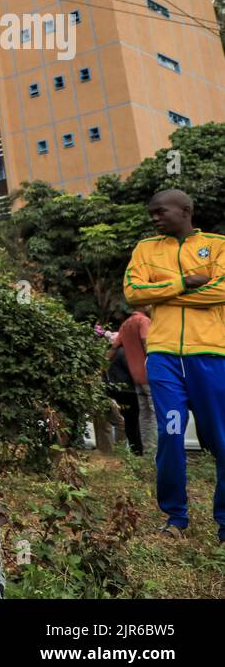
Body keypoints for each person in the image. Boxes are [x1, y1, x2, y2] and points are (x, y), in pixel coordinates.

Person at [123, 189, 225, 542]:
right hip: (164, 357)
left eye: (159, 212)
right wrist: (183, 282)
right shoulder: (145, 249)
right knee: (169, 433)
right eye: (151, 213)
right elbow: (134, 293)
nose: (154, 218)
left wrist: (162, 293)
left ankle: (224, 522)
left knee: (221, 441)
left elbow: (222, 290)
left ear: (185, 210)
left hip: (211, 356)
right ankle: (175, 518)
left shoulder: (217, 245)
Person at [114, 306, 155, 456]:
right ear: (143, 306)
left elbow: (113, 348)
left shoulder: (126, 324)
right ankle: (155, 451)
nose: (152, 307)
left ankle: (147, 451)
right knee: (155, 414)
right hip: (150, 375)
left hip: (136, 377)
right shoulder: (144, 321)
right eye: (150, 305)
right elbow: (146, 343)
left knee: (144, 415)